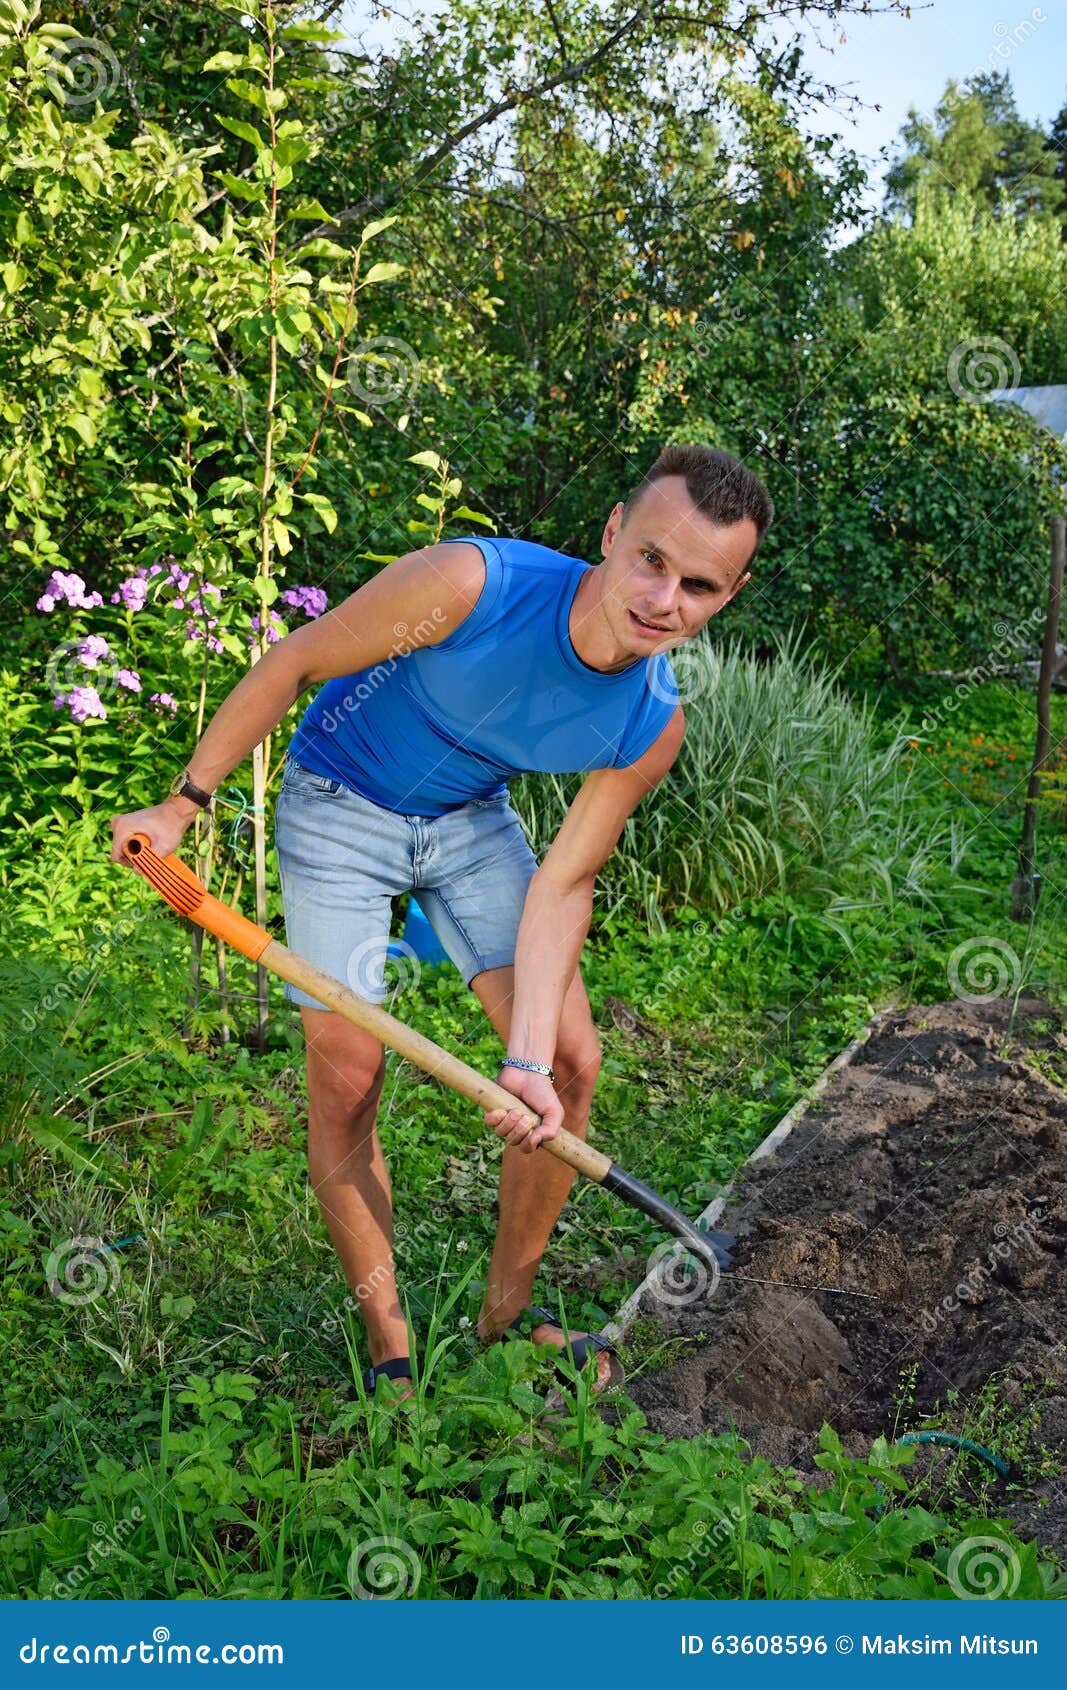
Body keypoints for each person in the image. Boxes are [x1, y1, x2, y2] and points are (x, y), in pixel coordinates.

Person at [111, 442, 774, 1399]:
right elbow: (296, 660)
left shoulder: (648, 721)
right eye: (651, 560)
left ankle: (507, 1316)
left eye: (698, 586)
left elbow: (563, 884)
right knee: (349, 1070)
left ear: (728, 595)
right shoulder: (472, 583)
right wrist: (182, 805)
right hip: (340, 801)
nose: (662, 600)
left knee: (574, 1062)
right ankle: (389, 1341)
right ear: (612, 533)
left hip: (468, 825)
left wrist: (529, 1060)